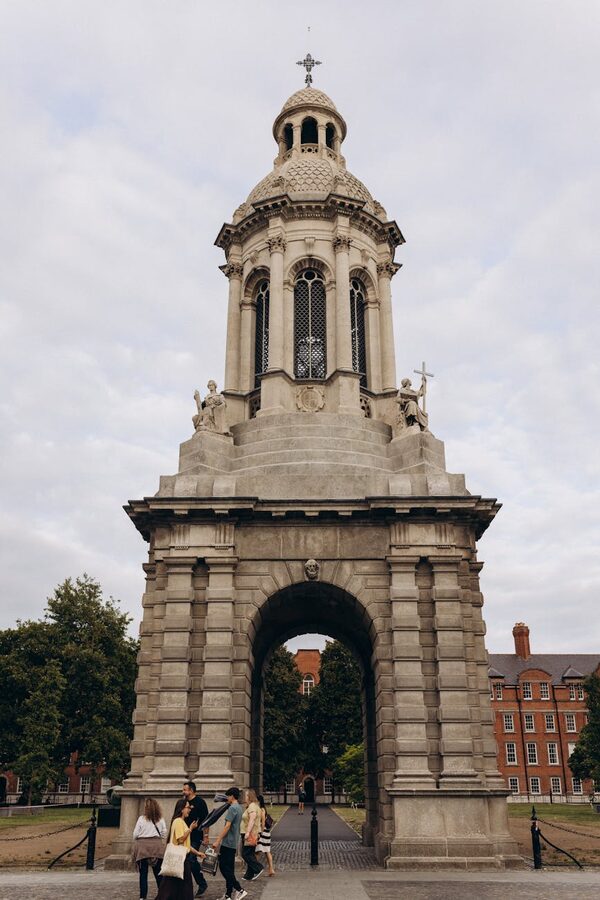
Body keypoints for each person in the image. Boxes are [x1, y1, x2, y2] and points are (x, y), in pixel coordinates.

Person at [156, 798, 204, 900]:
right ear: (182, 809)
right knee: (183, 887)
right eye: (188, 807)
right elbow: (181, 840)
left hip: (180, 858)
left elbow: (186, 845)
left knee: (172, 887)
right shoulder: (178, 821)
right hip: (180, 859)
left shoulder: (181, 822)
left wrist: (197, 853)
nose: (189, 810)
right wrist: (190, 829)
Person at [212, 787, 247, 900]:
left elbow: (227, 826)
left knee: (223, 867)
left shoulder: (232, 808)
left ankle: (240, 889)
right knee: (230, 869)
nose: (226, 798)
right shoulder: (239, 808)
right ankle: (228, 895)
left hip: (227, 842)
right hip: (233, 843)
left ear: (232, 796)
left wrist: (217, 840)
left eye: (228, 796)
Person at [132, 797, 167, 900]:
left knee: (143, 875)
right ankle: (162, 894)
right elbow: (164, 834)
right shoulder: (161, 819)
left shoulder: (141, 819)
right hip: (157, 848)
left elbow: (135, 835)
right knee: (158, 874)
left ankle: (143, 897)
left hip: (142, 849)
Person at [182, 781, 208, 897]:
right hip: (184, 836)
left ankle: (202, 883)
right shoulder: (183, 802)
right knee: (185, 862)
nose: (183, 792)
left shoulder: (200, 802)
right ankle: (184, 887)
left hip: (195, 837)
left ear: (191, 790)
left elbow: (207, 821)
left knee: (192, 860)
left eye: (185, 790)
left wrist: (206, 836)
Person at [240, 788, 264, 882]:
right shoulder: (253, 806)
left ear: (249, 796)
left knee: (245, 854)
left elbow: (252, 819)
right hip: (252, 833)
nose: (244, 797)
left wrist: (247, 832)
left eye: (246, 795)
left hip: (250, 834)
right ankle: (249, 875)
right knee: (250, 853)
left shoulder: (252, 806)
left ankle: (258, 868)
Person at [255, 794, 275, 877]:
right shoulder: (263, 809)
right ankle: (271, 869)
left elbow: (263, 822)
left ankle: (253, 868)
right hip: (266, 832)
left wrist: (260, 832)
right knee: (266, 851)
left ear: (259, 801)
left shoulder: (261, 809)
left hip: (263, 832)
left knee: (257, 851)